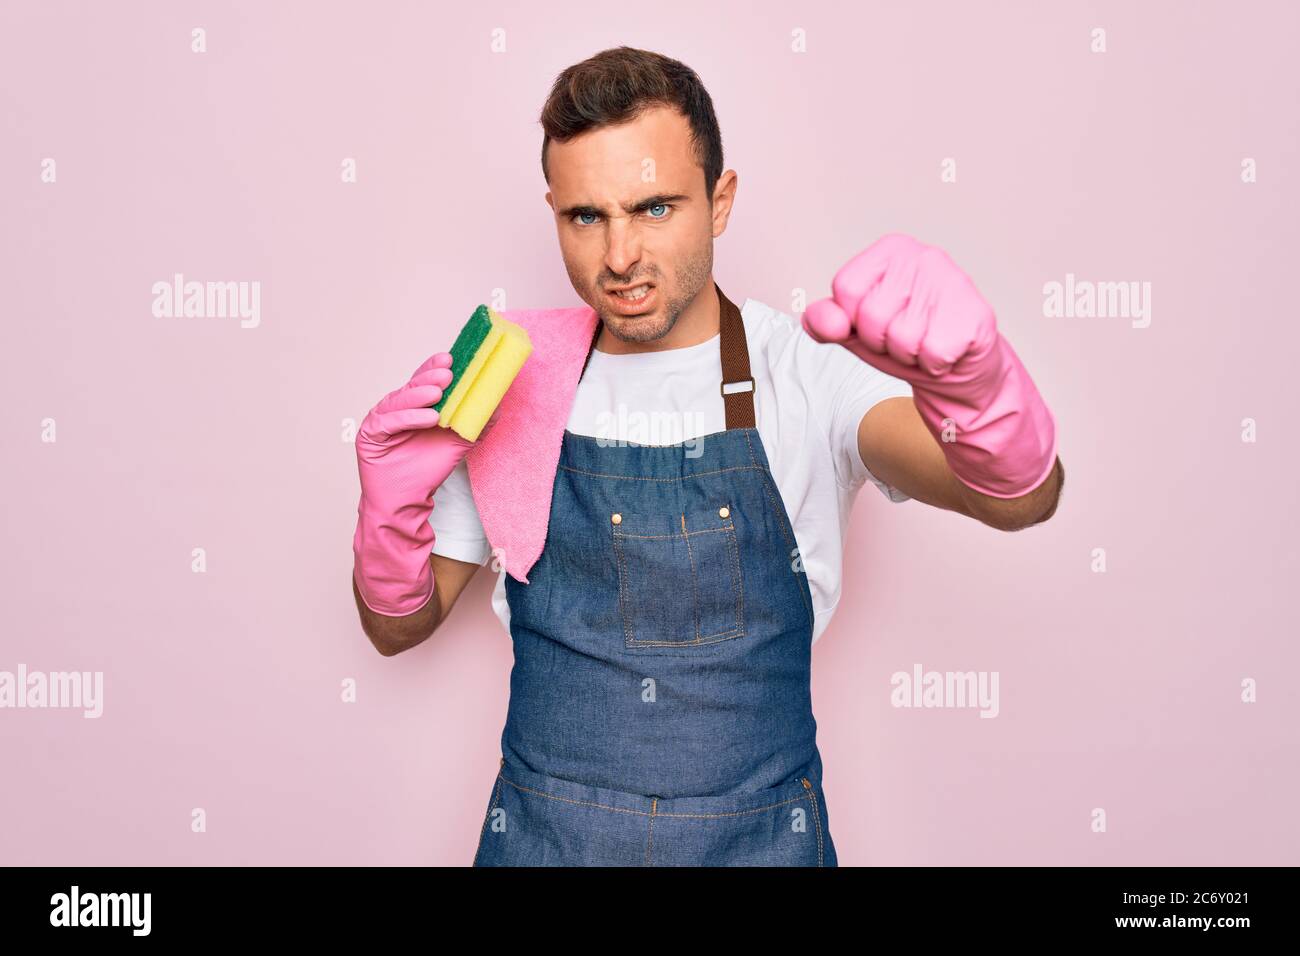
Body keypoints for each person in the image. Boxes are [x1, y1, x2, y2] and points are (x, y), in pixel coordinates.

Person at [350, 46, 1064, 866]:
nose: (619, 256)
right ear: (554, 210)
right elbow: (396, 631)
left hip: (762, 845)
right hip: (543, 843)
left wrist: (984, 400)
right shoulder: (517, 380)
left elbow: (1014, 500)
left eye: (655, 208)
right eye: (586, 216)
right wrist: (387, 513)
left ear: (720, 200)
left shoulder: (805, 374)